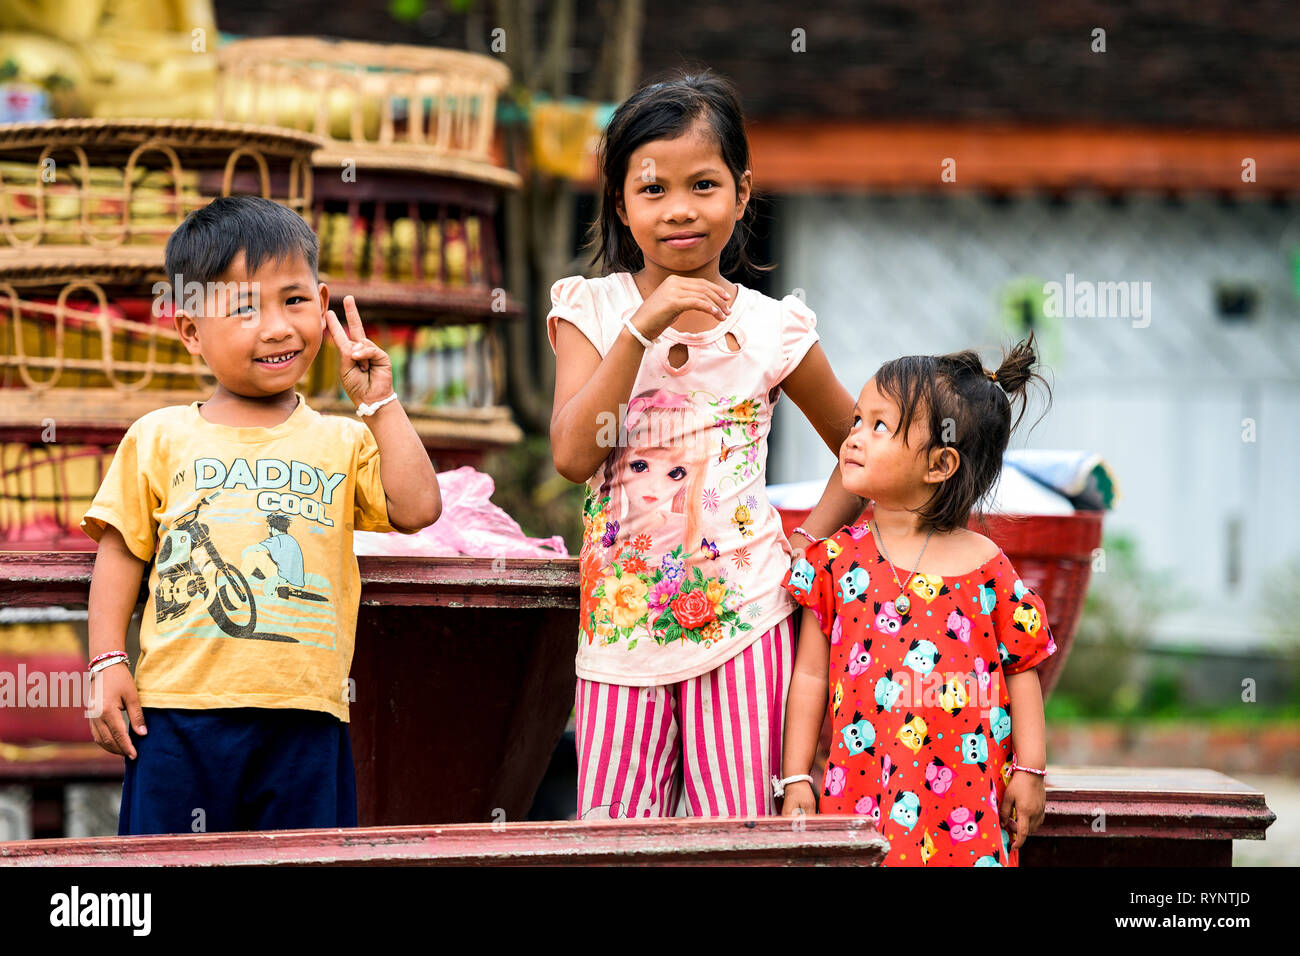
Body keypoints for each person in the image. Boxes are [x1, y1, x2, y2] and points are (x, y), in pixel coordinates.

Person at [548, 70, 863, 818]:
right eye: (653, 190)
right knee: (616, 842)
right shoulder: (592, 311)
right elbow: (573, 454)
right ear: (621, 203)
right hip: (621, 639)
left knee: (736, 838)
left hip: (747, 626)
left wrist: (804, 548)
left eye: (704, 185)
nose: (680, 210)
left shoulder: (772, 328)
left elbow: (862, 451)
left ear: (742, 193)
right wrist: (643, 326)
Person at [81, 196, 440, 834]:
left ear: (324, 305)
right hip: (175, 717)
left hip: (306, 717)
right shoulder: (159, 437)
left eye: (295, 300)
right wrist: (107, 661)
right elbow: (122, 548)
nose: (277, 326)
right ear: (190, 331)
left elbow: (417, 509)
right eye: (244, 307)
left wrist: (379, 402)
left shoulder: (343, 439)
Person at [777, 336, 1056, 866]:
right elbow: (810, 676)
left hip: (966, 808)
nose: (853, 437)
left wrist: (1031, 769)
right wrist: (795, 776)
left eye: (879, 426)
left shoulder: (989, 568)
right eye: (857, 420)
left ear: (939, 463)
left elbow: (1023, 668)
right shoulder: (833, 562)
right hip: (861, 794)